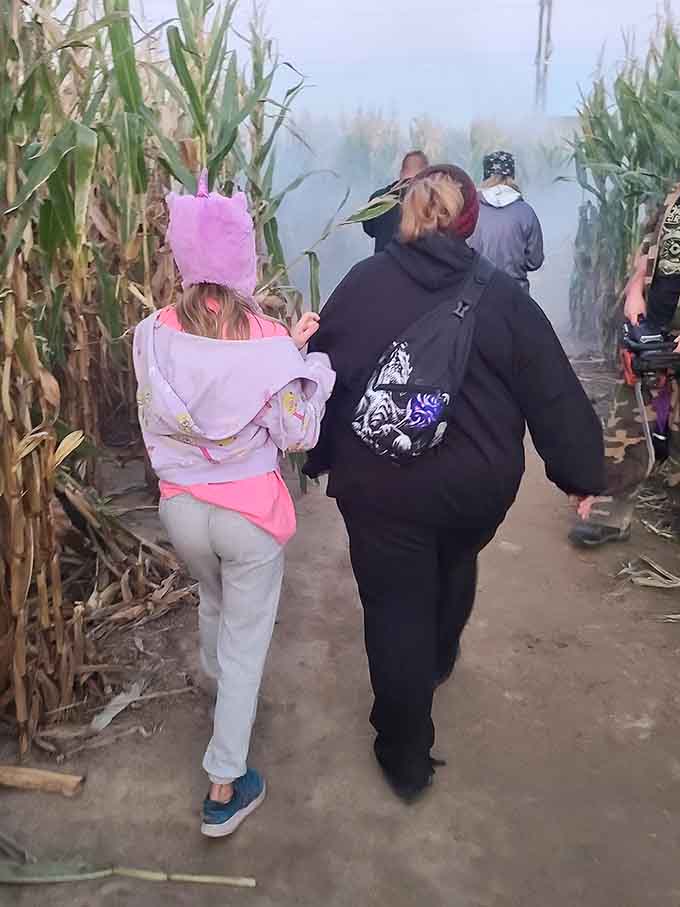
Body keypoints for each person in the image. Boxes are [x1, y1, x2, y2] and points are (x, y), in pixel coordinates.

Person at [305, 164, 605, 802]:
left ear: (405, 215)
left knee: (394, 609)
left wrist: (323, 457)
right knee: (453, 559)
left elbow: (323, 375)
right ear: (471, 222)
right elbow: (551, 391)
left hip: (379, 487)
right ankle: (438, 657)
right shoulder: (503, 297)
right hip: (474, 491)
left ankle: (404, 758)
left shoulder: (361, 285)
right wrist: (581, 477)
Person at [133, 171, 335, 837]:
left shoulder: (152, 334)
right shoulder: (267, 337)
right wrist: (311, 372)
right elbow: (296, 431)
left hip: (182, 510)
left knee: (213, 600)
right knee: (249, 638)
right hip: (248, 516)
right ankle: (225, 783)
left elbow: (192, 391)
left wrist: (286, 353)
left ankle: (220, 688)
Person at [569, 183, 680, 547]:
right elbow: (651, 242)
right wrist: (635, 289)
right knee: (626, 426)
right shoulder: (675, 194)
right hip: (652, 334)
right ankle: (611, 517)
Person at [468, 150, 544, 292]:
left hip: (476, 294)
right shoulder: (525, 211)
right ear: (512, 175)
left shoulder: (471, 210)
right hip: (516, 294)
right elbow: (535, 261)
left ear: (486, 175)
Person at [362, 150, 429, 253]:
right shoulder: (432, 201)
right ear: (426, 174)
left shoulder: (378, 198)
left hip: (382, 265)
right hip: (418, 267)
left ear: (401, 172)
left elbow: (369, 230)